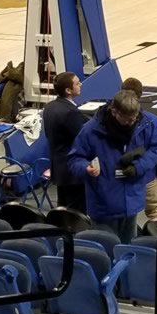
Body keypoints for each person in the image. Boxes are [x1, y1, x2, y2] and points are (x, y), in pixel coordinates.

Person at [67, 89, 157, 243]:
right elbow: (74, 159)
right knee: (106, 248)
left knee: (128, 249)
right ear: (114, 112)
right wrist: (86, 167)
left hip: (132, 201)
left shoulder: (148, 122)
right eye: (126, 119)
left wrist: (139, 166)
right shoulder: (91, 130)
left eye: (134, 118)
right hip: (103, 203)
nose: (131, 122)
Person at [120, 77, 157, 226]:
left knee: (124, 213)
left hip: (137, 175)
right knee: (152, 212)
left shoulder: (150, 121)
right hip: (142, 175)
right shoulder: (152, 120)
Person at [43, 72, 89, 211]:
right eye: (77, 83)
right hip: (72, 171)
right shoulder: (70, 112)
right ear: (68, 90)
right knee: (76, 213)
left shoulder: (49, 107)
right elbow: (82, 139)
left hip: (58, 167)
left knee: (62, 209)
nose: (80, 84)